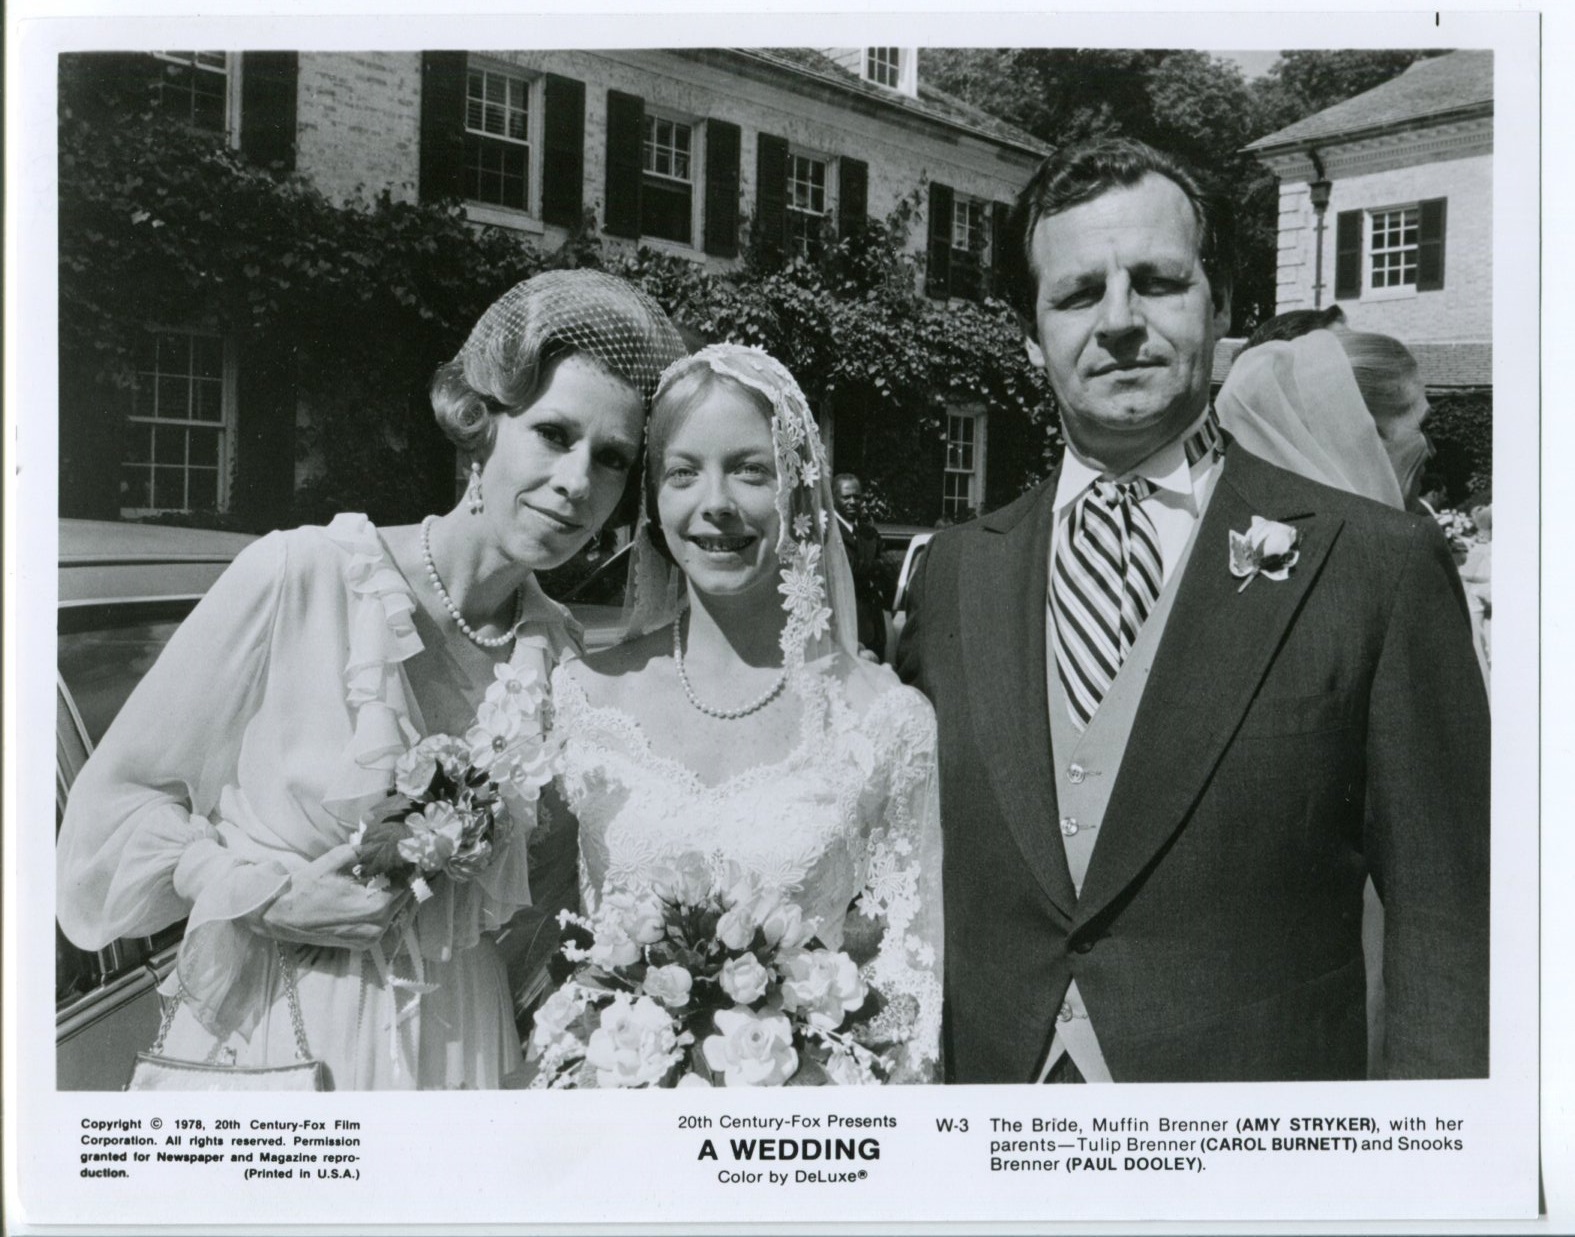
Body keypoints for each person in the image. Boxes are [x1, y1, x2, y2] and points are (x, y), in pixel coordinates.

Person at [897, 136, 1489, 1082]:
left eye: (1158, 282)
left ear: (1222, 306)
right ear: (1029, 334)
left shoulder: (1375, 565)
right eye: (1078, 294)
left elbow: (1451, 925)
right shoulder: (952, 574)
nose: (1119, 321)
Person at [55, 270, 687, 1089]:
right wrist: (262, 897)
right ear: (482, 424)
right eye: (552, 433)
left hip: (462, 1046)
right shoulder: (304, 576)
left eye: (610, 459)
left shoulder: (559, 655)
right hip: (281, 1033)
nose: (576, 481)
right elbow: (110, 812)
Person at [548, 343, 944, 1083]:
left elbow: (908, 988)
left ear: (799, 494)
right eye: (683, 472)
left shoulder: (884, 722)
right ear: (654, 500)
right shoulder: (583, 697)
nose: (716, 502)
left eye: (750, 470)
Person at [832, 472, 888, 660]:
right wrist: (876, 566)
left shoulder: (869, 533)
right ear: (834, 498)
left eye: (857, 497)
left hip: (873, 627)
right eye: (846, 497)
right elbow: (848, 568)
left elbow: (887, 572)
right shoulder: (828, 533)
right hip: (843, 627)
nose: (852, 502)